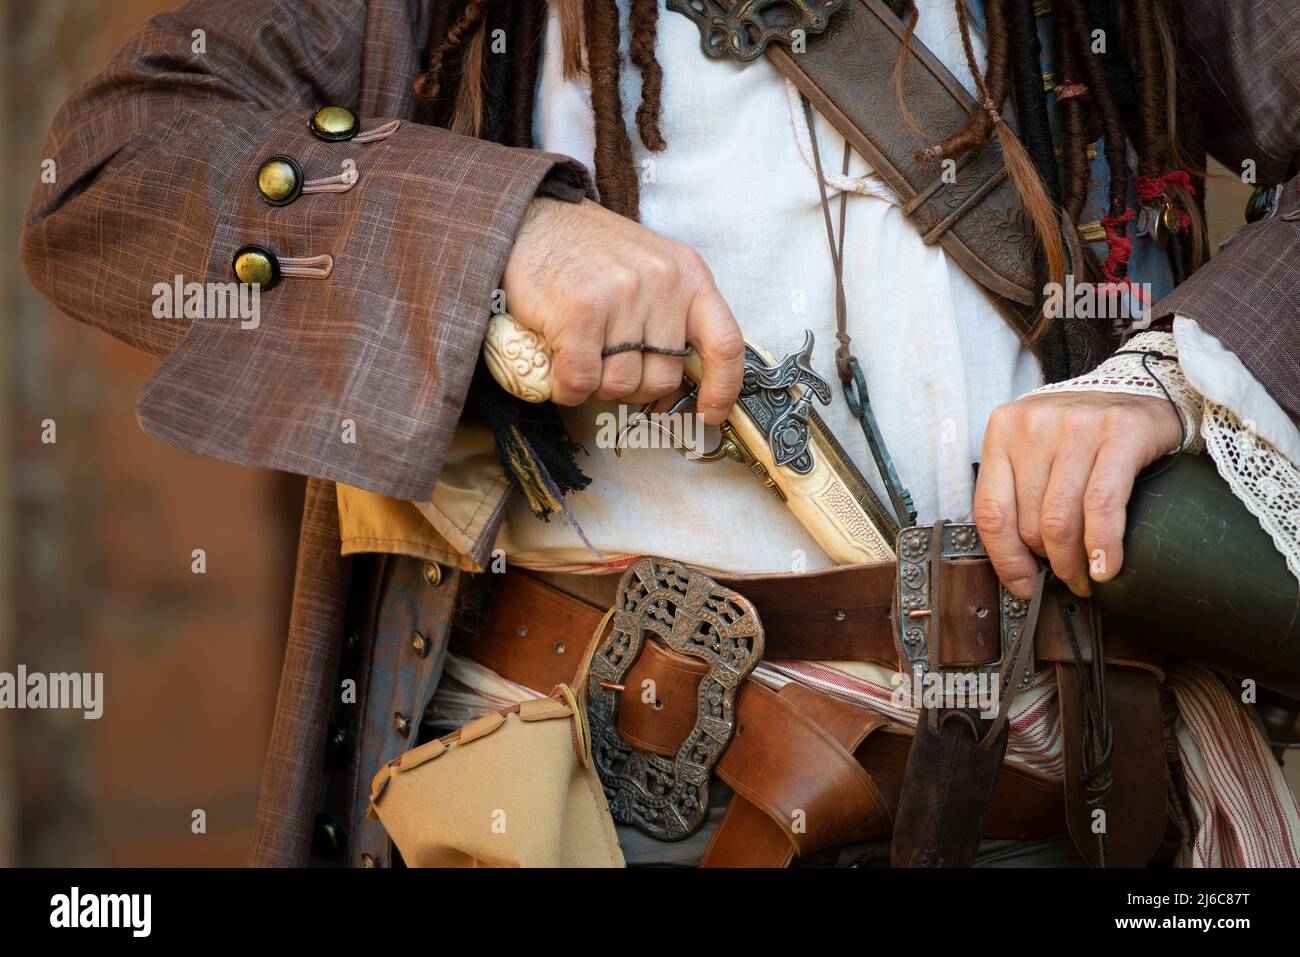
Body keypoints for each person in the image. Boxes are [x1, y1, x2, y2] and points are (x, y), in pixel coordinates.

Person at [21, 0, 1300, 867]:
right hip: (622, 792)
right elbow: (113, 169)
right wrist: (507, 234)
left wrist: (1182, 376)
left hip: (1071, 785)